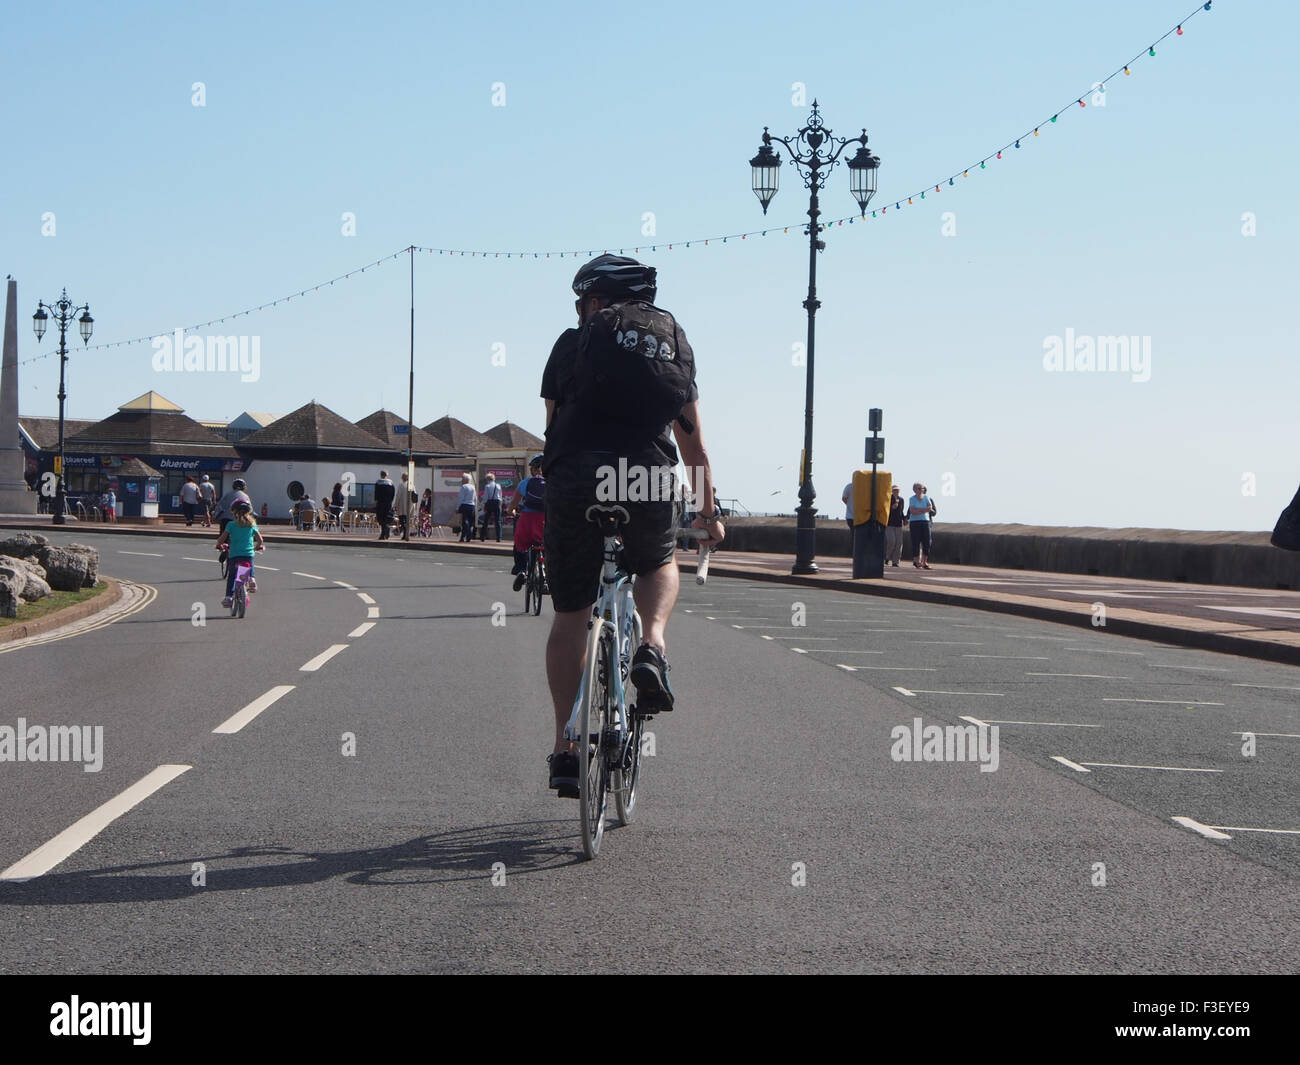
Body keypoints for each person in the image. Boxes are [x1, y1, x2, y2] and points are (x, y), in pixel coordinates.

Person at [540, 254, 722, 796]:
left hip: (577, 479)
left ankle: (565, 747)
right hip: (647, 478)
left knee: (571, 612)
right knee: (659, 561)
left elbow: (553, 432)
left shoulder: (569, 346)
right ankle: (653, 646)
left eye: (581, 301)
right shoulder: (669, 343)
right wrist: (709, 514)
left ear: (596, 300)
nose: (578, 311)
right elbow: (693, 444)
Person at [216, 498, 264, 607]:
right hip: (247, 554)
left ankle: (228, 597)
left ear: (233, 512)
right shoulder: (252, 525)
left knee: (232, 576)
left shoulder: (231, 525)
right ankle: (252, 579)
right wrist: (256, 547)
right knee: (249, 565)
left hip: (234, 555)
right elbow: (260, 540)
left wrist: (218, 545)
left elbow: (221, 539)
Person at [509, 454, 547, 591]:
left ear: (533, 469)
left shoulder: (525, 483)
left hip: (527, 519)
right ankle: (547, 575)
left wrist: (511, 512)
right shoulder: (554, 482)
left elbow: (512, 506)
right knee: (549, 545)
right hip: (545, 520)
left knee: (520, 544)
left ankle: (521, 570)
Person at [907, 481, 934, 569]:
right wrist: (924, 510)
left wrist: (919, 510)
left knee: (927, 542)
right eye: (919, 488)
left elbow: (930, 508)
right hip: (915, 522)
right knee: (916, 542)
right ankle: (916, 561)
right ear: (915, 490)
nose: (921, 490)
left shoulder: (926, 497)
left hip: (925, 521)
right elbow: (912, 511)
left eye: (922, 488)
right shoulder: (912, 499)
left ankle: (924, 562)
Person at [886, 484, 907, 567]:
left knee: (899, 543)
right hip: (889, 523)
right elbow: (885, 510)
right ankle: (887, 557)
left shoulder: (901, 500)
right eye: (894, 490)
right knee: (892, 541)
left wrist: (904, 519)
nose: (896, 491)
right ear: (892, 491)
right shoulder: (888, 498)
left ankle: (895, 561)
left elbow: (901, 511)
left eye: (897, 490)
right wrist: (892, 508)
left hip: (898, 523)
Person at [479, 472, 503, 542]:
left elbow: (485, 497)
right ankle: (499, 537)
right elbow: (500, 496)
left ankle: (483, 537)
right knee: (498, 521)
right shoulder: (498, 486)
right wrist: (500, 505)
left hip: (490, 502)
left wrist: (484, 505)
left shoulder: (487, 486)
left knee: (486, 520)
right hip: (497, 502)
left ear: (488, 479)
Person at [374, 470, 395, 541]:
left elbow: (376, 493)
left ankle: (383, 533)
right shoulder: (391, 483)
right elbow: (393, 494)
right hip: (388, 503)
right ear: (387, 475)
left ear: (381, 475)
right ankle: (386, 530)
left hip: (380, 503)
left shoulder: (378, 483)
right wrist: (390, 501)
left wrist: (376, 501)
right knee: (387, 517)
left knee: (381, 518)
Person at [456, 474, 477, 542]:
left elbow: (460, 498)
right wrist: (475, 507)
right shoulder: (473, 487)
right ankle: (464, 537)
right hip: (472, 505)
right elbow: (475, 498)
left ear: (465, 479)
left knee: (465, 521)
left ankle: (468, 535)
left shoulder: (463, 487)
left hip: (464, 505)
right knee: (470, 522)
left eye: (462, 478)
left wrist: (457, 507)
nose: (461, 480)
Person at [395, 473, 413, 538]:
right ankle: (406, 533)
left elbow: (398, 496)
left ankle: (405, 533)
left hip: (401, 507)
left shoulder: (401, 485)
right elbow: (414, 497)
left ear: (402, 478)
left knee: (402, 520)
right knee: (407, 520)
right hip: (409, 507)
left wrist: (395, 504)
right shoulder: (412, 485)